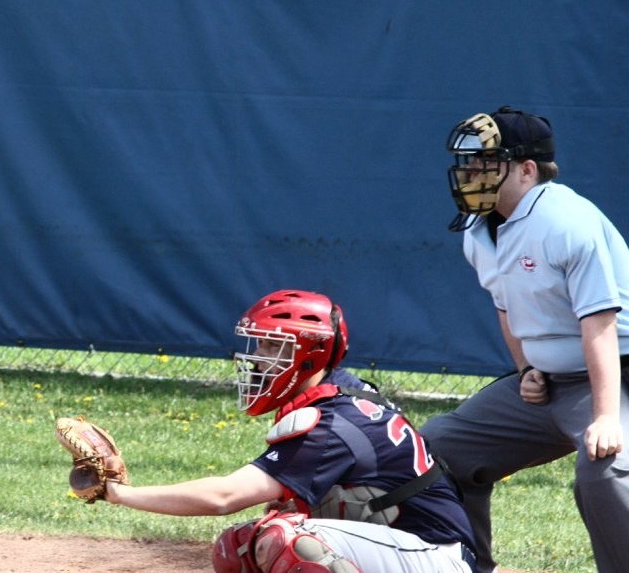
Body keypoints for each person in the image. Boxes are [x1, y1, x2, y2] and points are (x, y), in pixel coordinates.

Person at [102, 289, 477, 572]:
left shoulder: (331, 421)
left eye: (272, 345)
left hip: (435, 558)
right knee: (240, 547)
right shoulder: (343, 392)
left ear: (311, 355)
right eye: (261, 344)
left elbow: (224, 497)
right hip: (407, 548)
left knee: (288, 541)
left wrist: (120, 494)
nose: (258, 358)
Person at [421, 106, 629, 572]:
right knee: (439, 446)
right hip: (551, 382)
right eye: (468, 163)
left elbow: (600, 323)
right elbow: (506, 306)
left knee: (606, 470)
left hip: (613, 376)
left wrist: (604, 417)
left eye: (484, 162)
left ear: (527, 169)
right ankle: (467, 565)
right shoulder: (479, 229)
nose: (469, 173)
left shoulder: (565, 221)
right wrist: (526, 371)